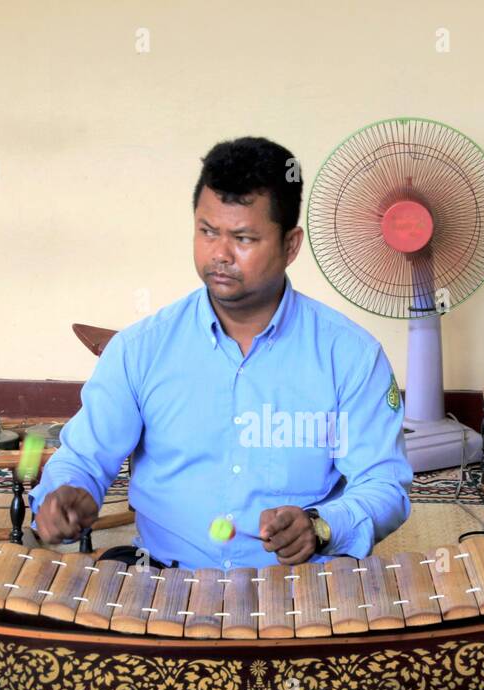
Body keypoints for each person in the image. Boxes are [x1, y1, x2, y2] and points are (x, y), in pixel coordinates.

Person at [31, 134, 412, 586]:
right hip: (168, 590)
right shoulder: (139, 350)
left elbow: (385, 484)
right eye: (207, 231)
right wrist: (63, 495)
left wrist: (321, 525)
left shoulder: (350, 355)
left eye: (244, 238)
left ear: (291, 246)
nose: (220, 255)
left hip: (299, 594)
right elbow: (83, 458)